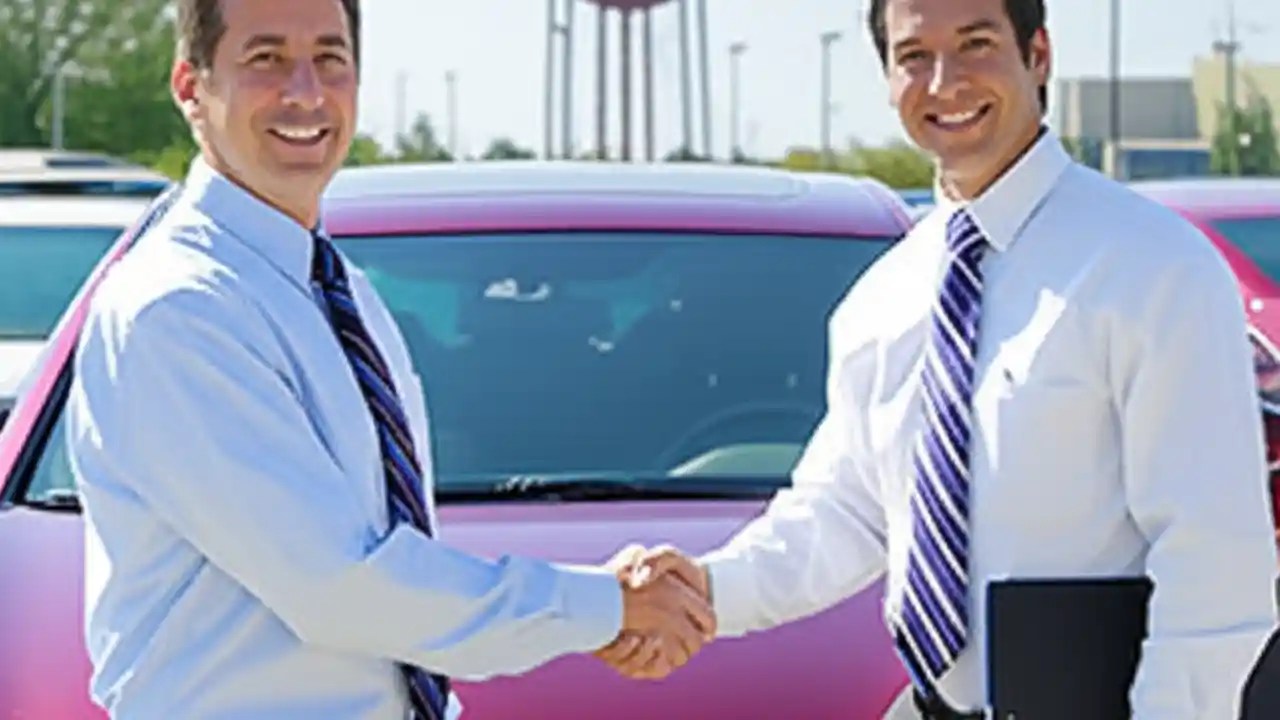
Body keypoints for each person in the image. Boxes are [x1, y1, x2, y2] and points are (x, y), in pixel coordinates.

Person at [600, 0, 1280, 717]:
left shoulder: (1152, 268)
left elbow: (1214, 557)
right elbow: (845, 513)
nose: (944, 81)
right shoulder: (883, 300)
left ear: (1039, 55)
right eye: (913, 56)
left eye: (976, 44)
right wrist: (704, 589)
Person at [65, 1, 712, 718]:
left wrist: (610, 608)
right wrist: (604, 607)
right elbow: (339, 583)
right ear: (190, 86)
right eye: (266, 59)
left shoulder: (334, 289)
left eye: (331, 59)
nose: (307, 92)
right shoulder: (176, 310)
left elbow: (384, 571)